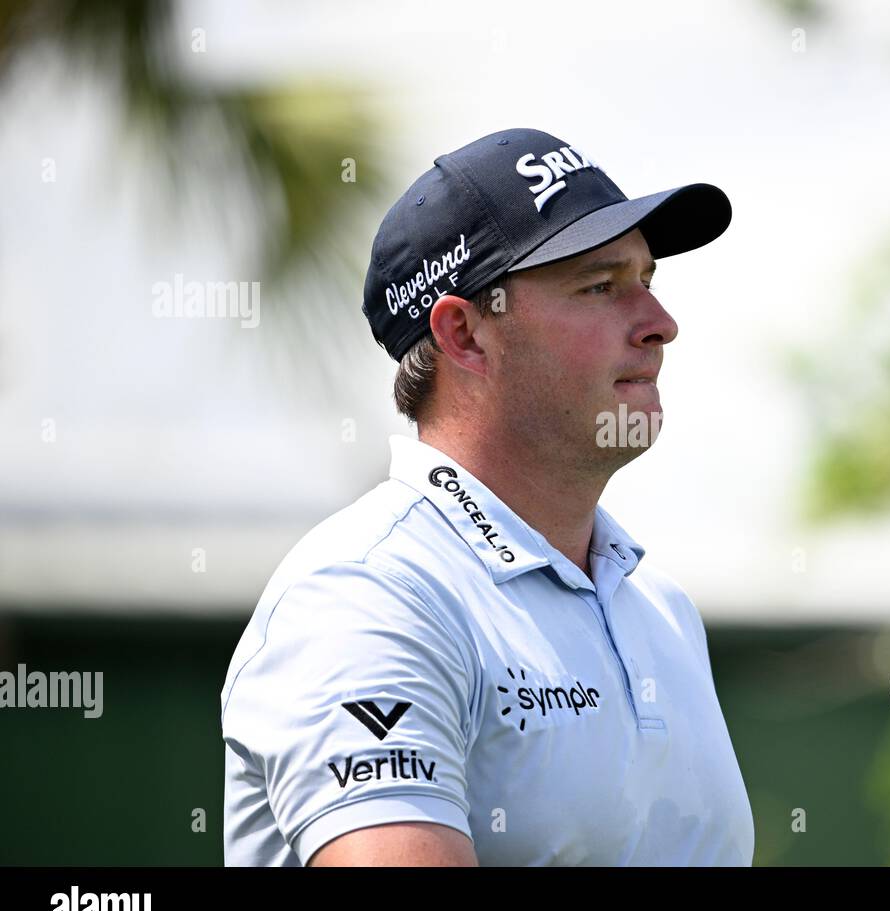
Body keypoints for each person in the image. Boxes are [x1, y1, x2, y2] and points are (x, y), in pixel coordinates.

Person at [220, 128, 753, 866]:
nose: (660, 325)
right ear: (465, 335)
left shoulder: (661, 609)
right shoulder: (365, 595)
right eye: (600, 287)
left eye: (648, 280)